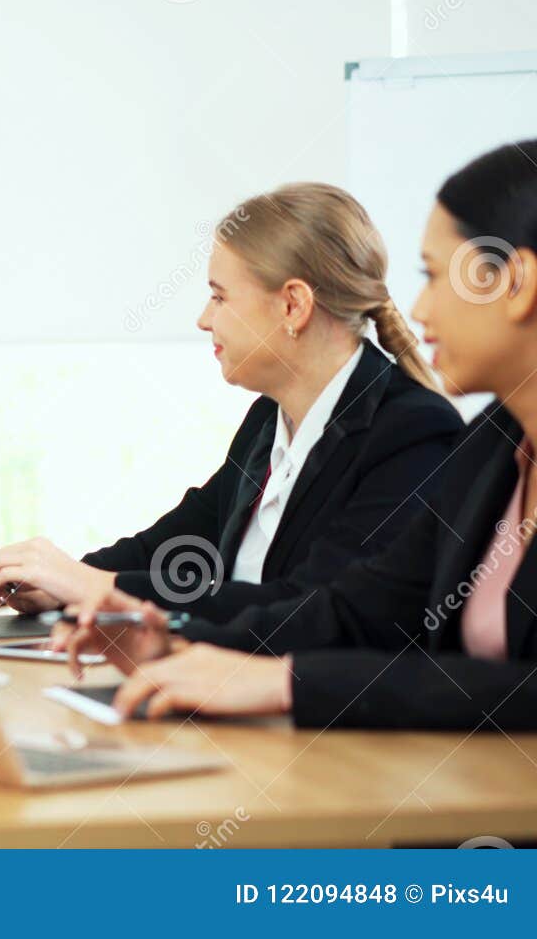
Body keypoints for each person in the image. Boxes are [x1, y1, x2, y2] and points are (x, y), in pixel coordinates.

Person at [57, 140, 537, 731]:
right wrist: (184, 646)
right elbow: (357, 610)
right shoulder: (490, 449)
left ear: (516, 282)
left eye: (434, 275)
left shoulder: (424, 431)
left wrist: (285, 681)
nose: (419, 307)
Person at [0, 184, 462, 622]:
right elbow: (179, 547)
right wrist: (61, 582)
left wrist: (95, 588)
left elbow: (310, 606)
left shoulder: (412, 433)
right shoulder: (270, 419)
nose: (204, 320)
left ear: (293, 305)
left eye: (220, 297)